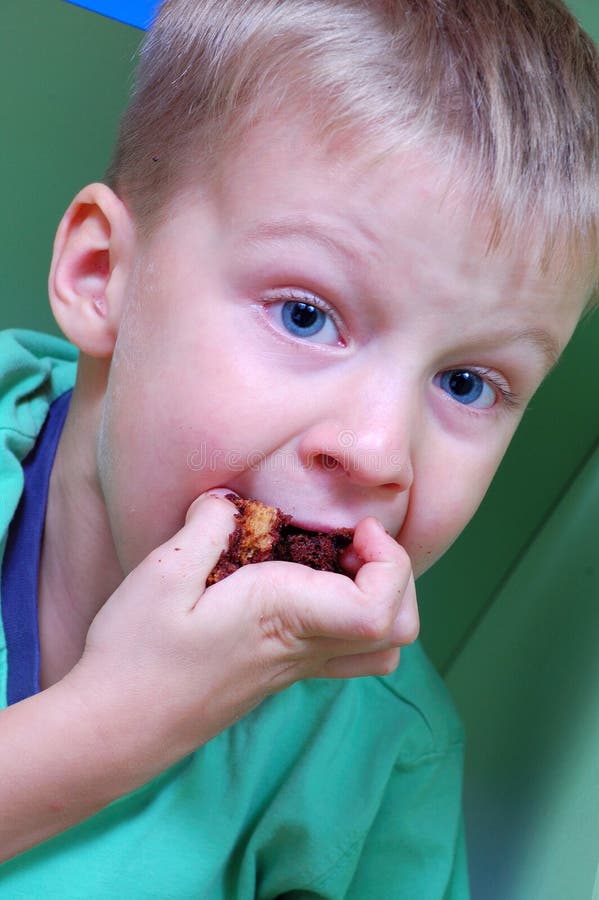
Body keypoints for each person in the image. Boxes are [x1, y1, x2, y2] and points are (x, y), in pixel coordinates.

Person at [0, 0, 597, 895]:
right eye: (305, 316)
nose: (377, 450)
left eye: (466, 383)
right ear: (101, 279)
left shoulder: (386, 764)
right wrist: (124, 720)